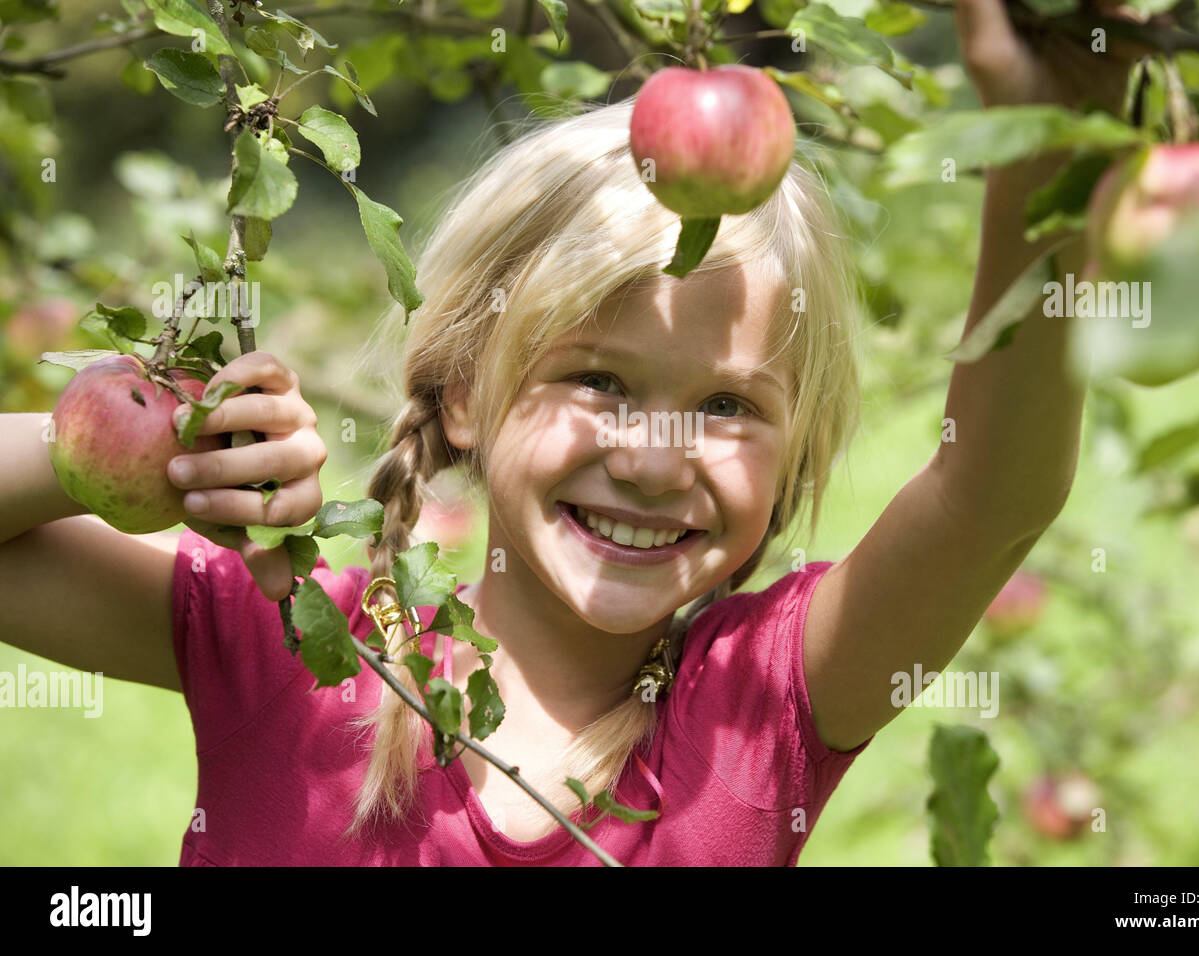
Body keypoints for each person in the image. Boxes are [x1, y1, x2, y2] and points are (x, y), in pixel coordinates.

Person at [0, 0, 1135, 865]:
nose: (651, 455)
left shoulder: (762, 703)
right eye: (597, 378)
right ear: (461, 395)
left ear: (794, 454)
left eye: (729, 405)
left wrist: (1053, 150)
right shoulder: (306, 641)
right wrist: (155, 452)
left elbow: (990, 493)